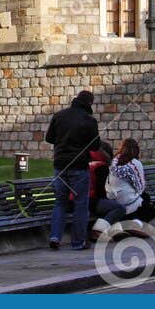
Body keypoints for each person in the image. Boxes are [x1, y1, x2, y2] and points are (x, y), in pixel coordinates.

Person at [44, 90, 99, 250]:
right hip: (79, 166)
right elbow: (95, 145)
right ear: (89, 103)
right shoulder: (89, 120)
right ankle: (78, 241)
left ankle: (55, 236)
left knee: (60, 201)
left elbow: (49, 138)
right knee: (81, 203)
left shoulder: (59, 115)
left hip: (60, 165)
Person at [91, 139, 148, 235]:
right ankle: (101, 230)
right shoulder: (102, 168)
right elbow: (140, 187)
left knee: (129, 202)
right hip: (97, 201)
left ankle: (124, 226)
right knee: (144, 203)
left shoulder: (112, 163)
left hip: (98, 198)